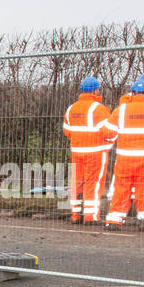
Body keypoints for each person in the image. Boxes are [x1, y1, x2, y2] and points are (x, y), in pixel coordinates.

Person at [103, 77, 144, 230]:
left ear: (132, 93)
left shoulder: (122, 109)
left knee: (122, 187)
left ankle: (115, 218)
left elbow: (107, 131)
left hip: (125, 157)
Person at [62, 77, 115, 224]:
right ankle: (90, 216)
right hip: (96, 152)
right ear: (96, 91)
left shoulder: (71, 109)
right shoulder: (100, 109)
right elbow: (108, 132)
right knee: (94, 183)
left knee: (77, 182)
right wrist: (111, 142)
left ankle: (75, 214)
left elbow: (67, 131)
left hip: (77, 152)